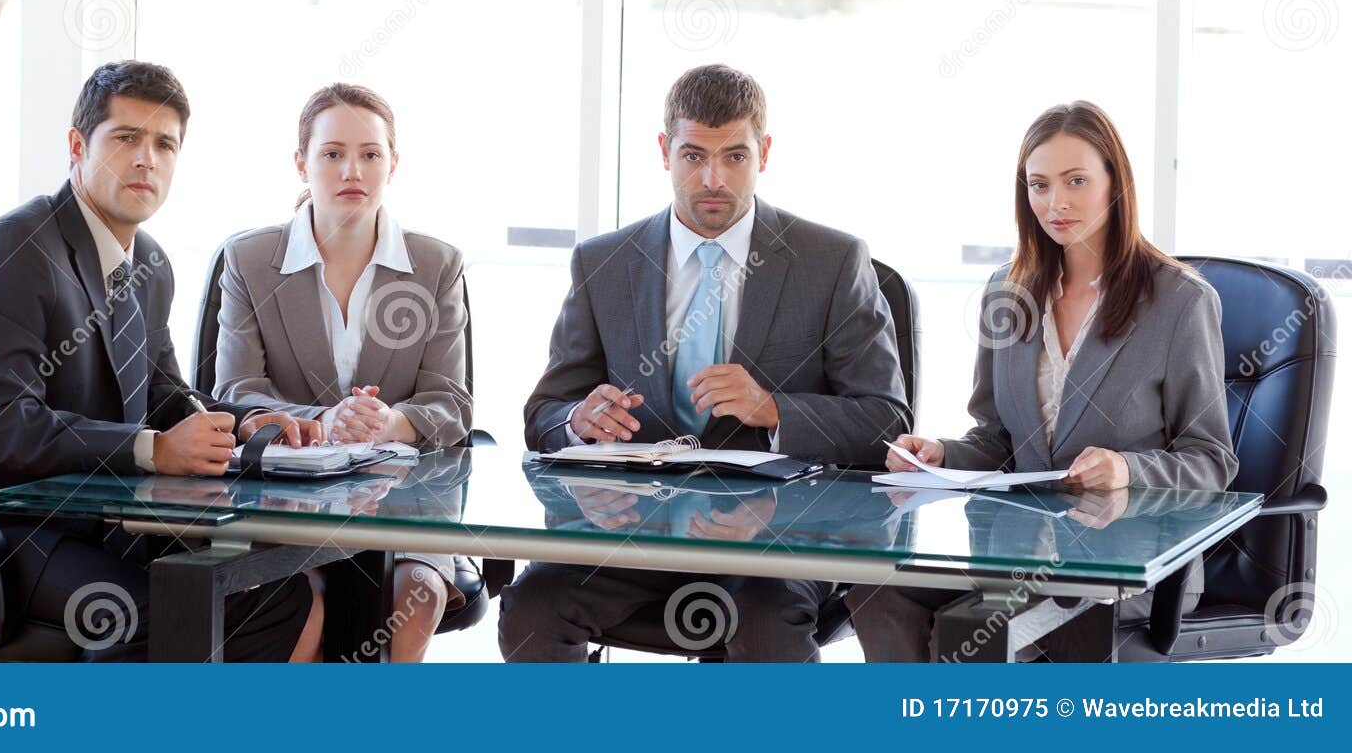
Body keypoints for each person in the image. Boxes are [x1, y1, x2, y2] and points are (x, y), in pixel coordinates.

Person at [0, 61, 322, 661]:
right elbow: (0, 428)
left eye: (165, 144)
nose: (147, 159)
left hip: (82, 517)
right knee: (158, 611)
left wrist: (245, 425)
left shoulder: (149, 263)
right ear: (78, 147)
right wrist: (155, 449)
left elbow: (166, 394)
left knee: (278, 596)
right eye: (126, 138)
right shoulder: (13, 253)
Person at [499, 64, 910, 662]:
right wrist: (577, 423)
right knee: (531, 606)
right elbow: (543, 416)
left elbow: (886, 424)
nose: (712, 178)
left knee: (766, 625)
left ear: (763, 153)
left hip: (777, 542)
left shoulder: (834, 261)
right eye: (693, 155)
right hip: (631, 535)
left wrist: (773, 410)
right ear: (665, 151)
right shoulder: (603, 263)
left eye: (734, 157)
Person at [846, 100, 1238, 662]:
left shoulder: (1179, 301)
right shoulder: (1008, 291)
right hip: (1013, 551)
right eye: (1039, 185)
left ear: (1115, 182)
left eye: (1076, 180)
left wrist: (1126, 469)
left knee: (969, 630)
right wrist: (939, 454)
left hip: (1122, 563)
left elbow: (1212, 462)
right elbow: (996, 440)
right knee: (877, 590)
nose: (1056, 203)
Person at [214, 82, 471, 662]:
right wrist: (325, 420)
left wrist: (390, 422)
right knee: (297, 603)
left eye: (370, 154)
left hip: (401, 501)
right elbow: (232, 393)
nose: (352, 169)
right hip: (285, 503)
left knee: (421, 592)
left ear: (393, 164)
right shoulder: (250, 260)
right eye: (332, 153)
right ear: (301, 162)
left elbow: (451, 401)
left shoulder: (435, 264)